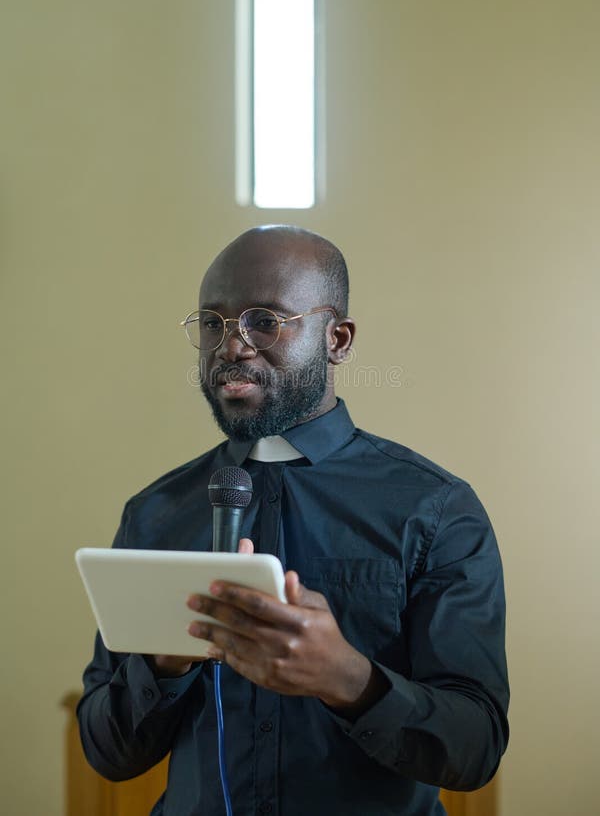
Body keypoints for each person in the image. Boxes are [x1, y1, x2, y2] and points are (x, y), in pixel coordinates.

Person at [78, 225, 509, 816]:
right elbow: (106, 753)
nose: (233, 346)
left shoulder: (435, 509)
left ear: (337, 339)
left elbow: (476, 748)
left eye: (264, 320)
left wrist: (349, 679)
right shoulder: (154, 513)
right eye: (213, 324)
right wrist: (162, 661)